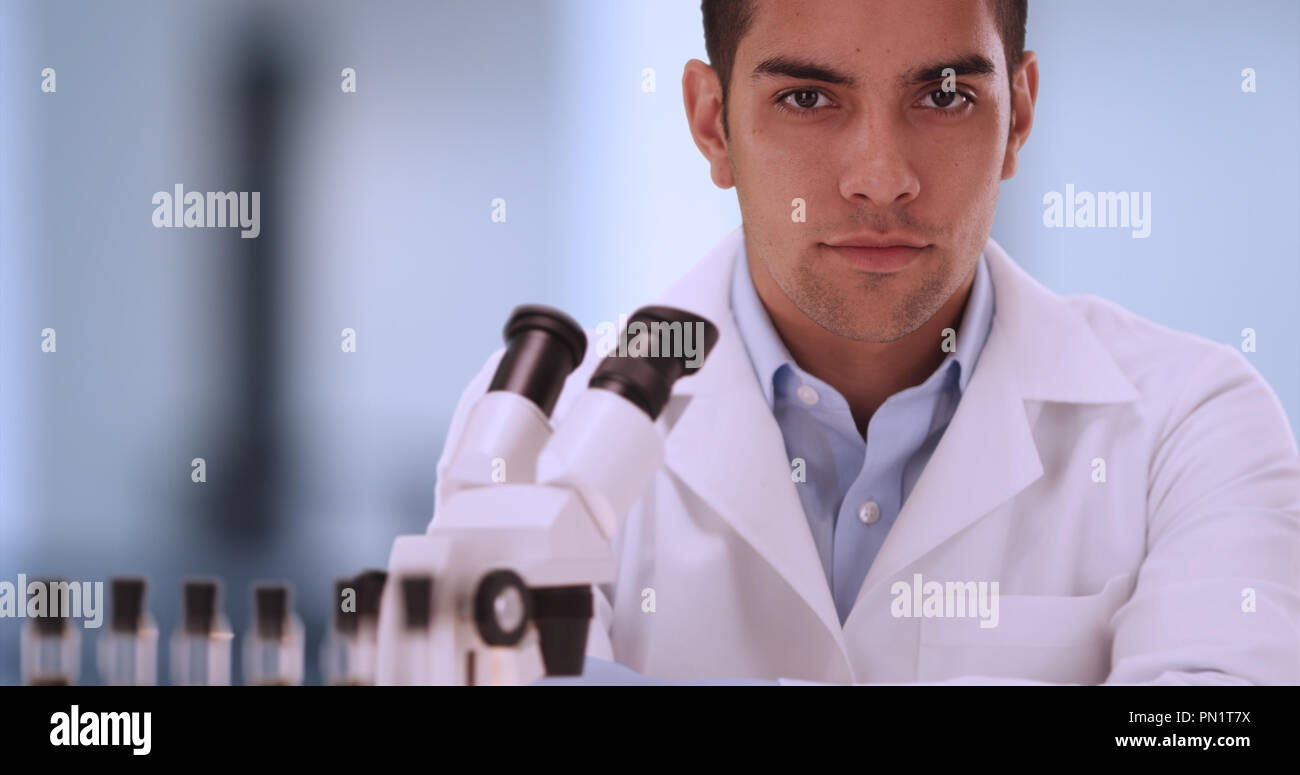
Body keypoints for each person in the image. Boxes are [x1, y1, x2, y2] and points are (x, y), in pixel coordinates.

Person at [437, 0, 1300, 684]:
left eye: (944, 96)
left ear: (1021, 113)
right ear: (712, 123)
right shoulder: (536, 421)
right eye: (808, 99)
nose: (880, 177)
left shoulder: (1195, 420)